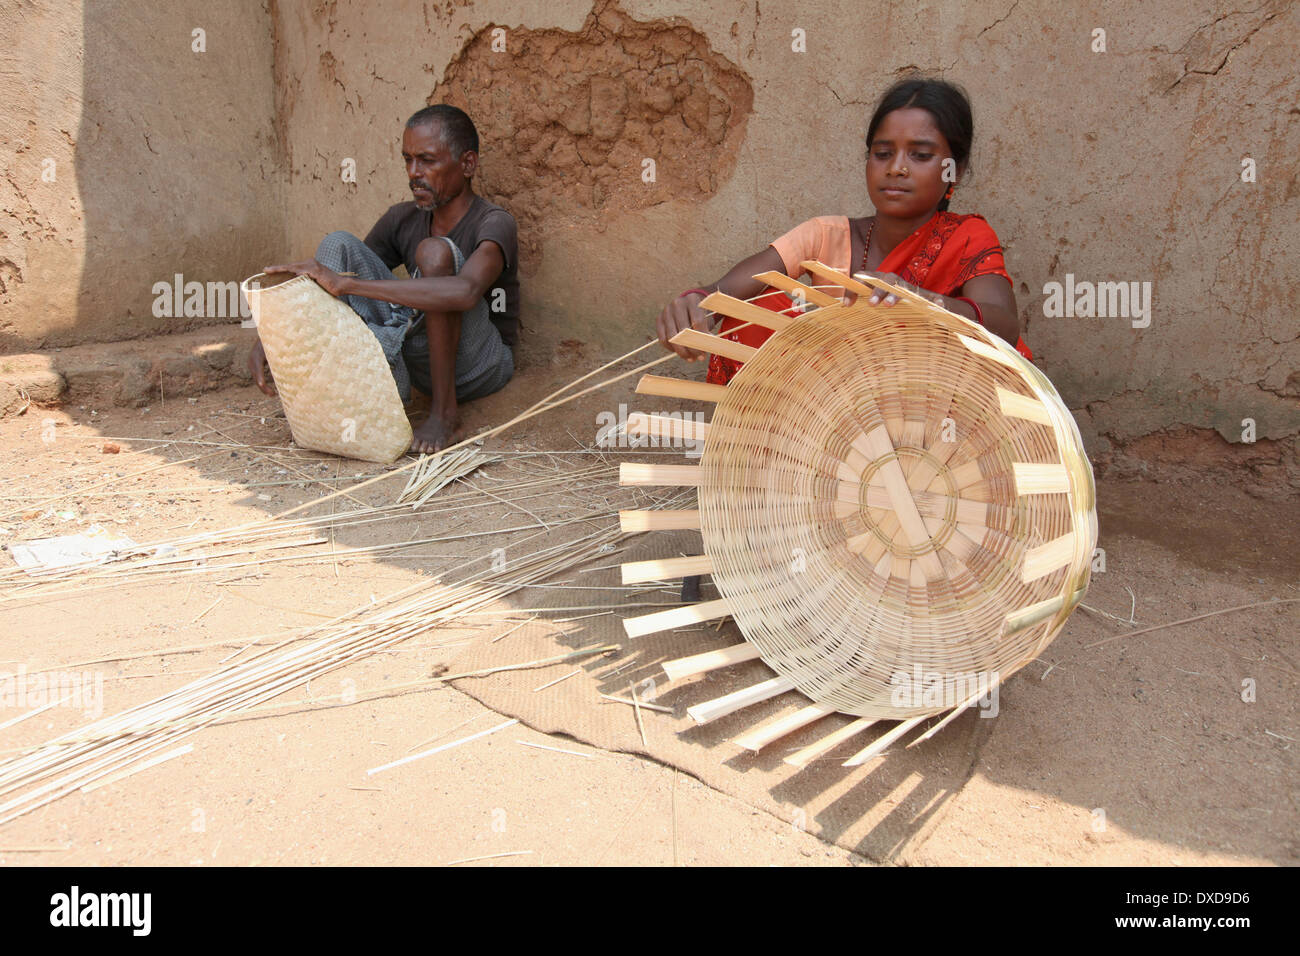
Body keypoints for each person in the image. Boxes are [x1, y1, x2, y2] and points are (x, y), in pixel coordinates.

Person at [656, 76, 1031, 387]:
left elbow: (1004, 327)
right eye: (883, 153)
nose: (897, 168)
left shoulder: (967, 237)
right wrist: (695, 301)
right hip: (833, 425)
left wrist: (921, 302)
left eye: (920, 155)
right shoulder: (825, 235)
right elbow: (726, 293)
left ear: (956, 170)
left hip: (931, 427)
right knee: (760, 308)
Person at [248, 105, 520, 454]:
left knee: (434, 254)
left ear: (467, 164)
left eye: (427, 161)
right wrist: (272, 335)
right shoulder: (402, 218)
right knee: (337, 245)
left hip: (480, 364)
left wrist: (347, 285)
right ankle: (351, 395)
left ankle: (445, 415)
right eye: (407, 160)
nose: (413, 173)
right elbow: (345, 267)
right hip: (421, 357)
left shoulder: (494, 222)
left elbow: (465, 292)